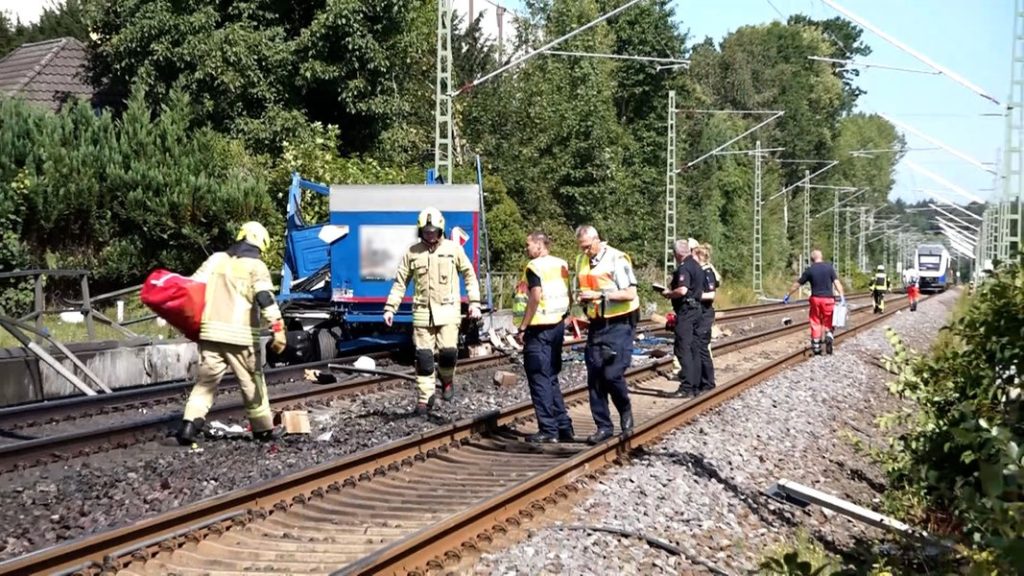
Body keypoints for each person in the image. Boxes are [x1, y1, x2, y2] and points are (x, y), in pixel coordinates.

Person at [176, 221, 288, 445]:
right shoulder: (256, 267)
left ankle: (189, 426)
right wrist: (278, 328)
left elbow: (192, 286)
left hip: (210, 333)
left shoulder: (216, 260)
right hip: (240, 337)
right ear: (261, 244)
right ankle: (263, 429)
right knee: (251, 383)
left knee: (205, 384)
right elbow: (264, 298)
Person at [383, 207, 482, 415]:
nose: (430, 234)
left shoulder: (454, 250)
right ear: (421, 231)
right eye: (426, 231)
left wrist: (474, 302)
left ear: (440, 230)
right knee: (424, 358)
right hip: (421, 313)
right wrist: (390, 307)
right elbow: (400, 282)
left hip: (448, 311)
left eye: (433, 230)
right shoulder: (412, 252)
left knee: (448, 353)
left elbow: (469, 275)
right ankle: (424, 399)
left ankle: (446, 379)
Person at [574, 225, 639, 444]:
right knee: (595, 377)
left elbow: (630, 293)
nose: (584, 252)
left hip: (620, 322)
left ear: (596, 240)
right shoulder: (581, 261)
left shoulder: (616, 259)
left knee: (612, 373)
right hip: (597, 323)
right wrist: (582, 300)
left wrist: (600, 295)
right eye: (581, 247)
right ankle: (603, 426)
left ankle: (625, 408)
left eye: (586, 247)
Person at [513, 231, 574, 443]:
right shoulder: (561, 264)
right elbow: (568, 292)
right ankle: (564, 427)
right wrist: (567, 314)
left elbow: (535, 296)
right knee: (551, 377)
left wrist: (522, 327)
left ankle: (548, 429)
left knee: (539, 379)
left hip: (538, 328)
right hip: (557, 325)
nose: (526, 248)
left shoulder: (534, 267)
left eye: (528, 244)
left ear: (539, 244)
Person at [661, 239, 703, 396]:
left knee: (682, 348)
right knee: (694, 348)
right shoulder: (697, 266)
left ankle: (686, 387)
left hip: (686, 311)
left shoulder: (684, 267)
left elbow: (683, 290)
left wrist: (668, 294)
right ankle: (695, 384)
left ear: (676, 254)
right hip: (697, 310)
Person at [783, 249, 845, 356]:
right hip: (828, 300)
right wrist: (842, 296)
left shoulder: (810, 270)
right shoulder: (829, 268)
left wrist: (788, 295)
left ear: (812, 259)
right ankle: (829, 335)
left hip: (815, 299)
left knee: (816, 321)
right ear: (822, 257)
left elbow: (797, 284)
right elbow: (837, 283)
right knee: (829, 320)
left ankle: (816, 347)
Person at [693, 243, 717, 391]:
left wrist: (693, 295)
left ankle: (708, 382)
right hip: (698, 313)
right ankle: (700, 380)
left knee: (702, 347)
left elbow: (711, 294)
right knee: (696, 346)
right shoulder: (699, 271)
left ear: (700, 256)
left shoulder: (708, 272)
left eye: (694, 255)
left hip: (705, 313)